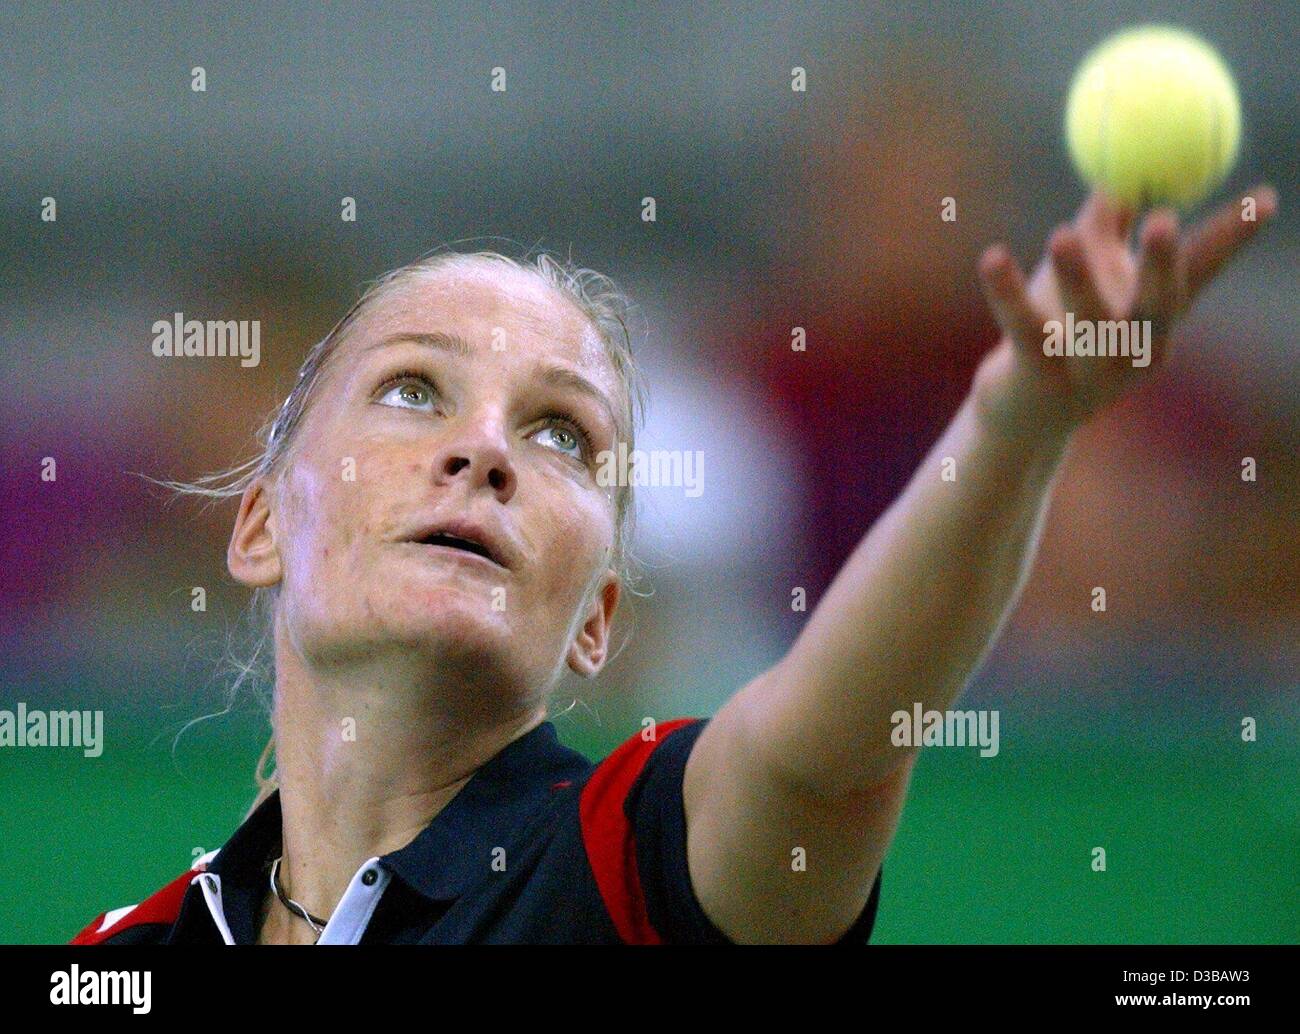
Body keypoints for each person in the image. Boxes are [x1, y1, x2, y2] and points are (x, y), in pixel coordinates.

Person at [71, 185, 1276, 944]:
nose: (483, 447)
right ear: (260, 523)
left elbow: (823, 760)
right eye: (412, 389)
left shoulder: (623, 859)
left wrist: (1013, 430)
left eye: (559, 435)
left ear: (596, 618)